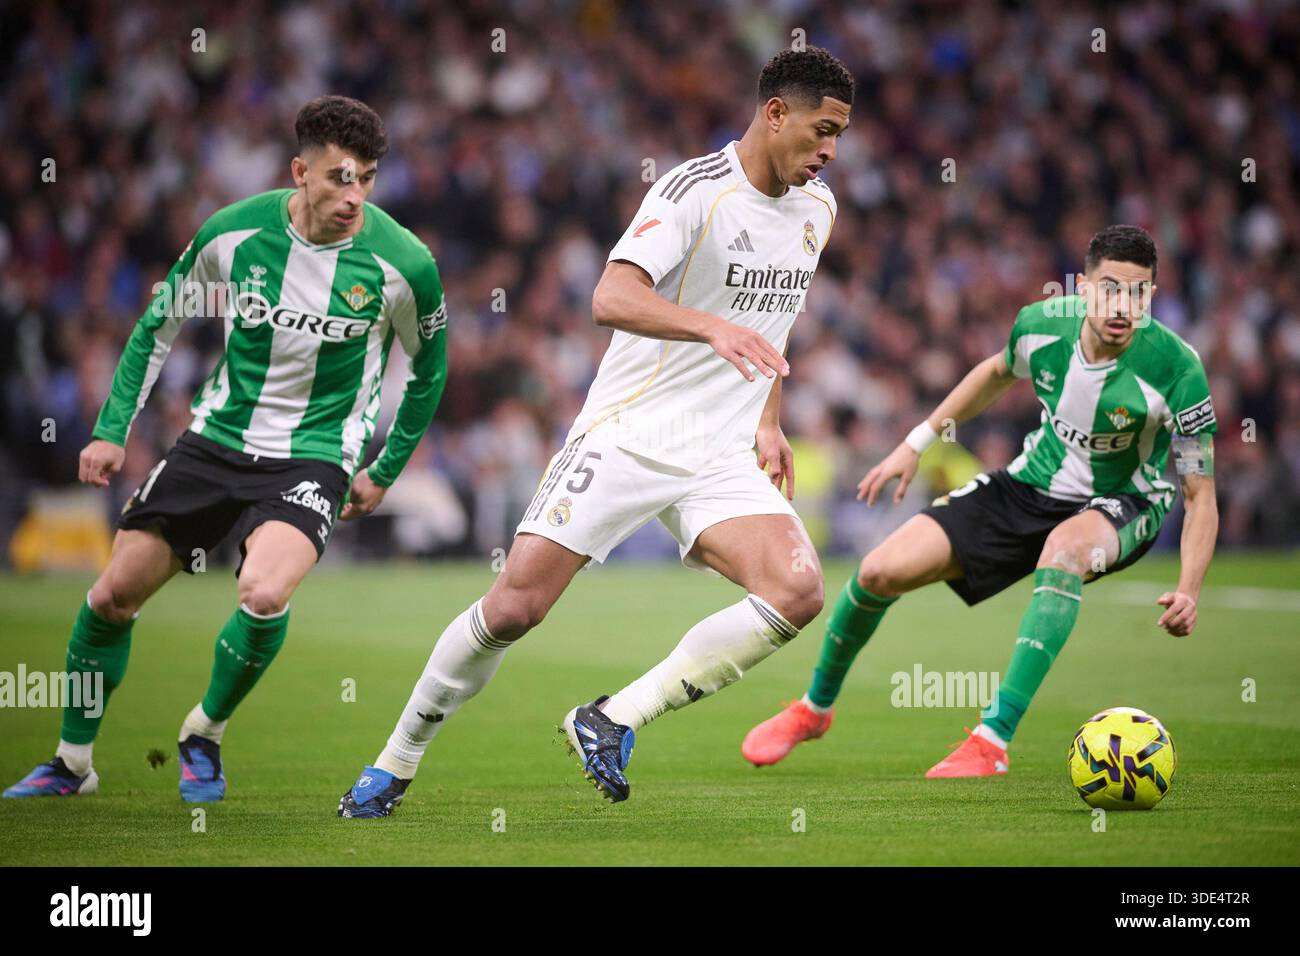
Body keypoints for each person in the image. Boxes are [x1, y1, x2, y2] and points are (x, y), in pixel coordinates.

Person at [339, 47, 854, 815]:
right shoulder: (693, 191)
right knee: (514, 607)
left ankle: (611, 718)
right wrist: (708, 329)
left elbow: (772, 317)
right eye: (821, 130)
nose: (830, 152)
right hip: (627, 432)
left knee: (799, 588)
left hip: (717, 450)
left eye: (839, 136)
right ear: (775, 113)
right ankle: (395, 761)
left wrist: (769, 417)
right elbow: (611, 296)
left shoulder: (818, 210)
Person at [4, 96, 448, 802]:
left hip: (317, 454)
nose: (353, 195)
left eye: (365, 178)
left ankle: (203, 733)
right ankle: (71, 763)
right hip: (216, 440)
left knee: (264, 591)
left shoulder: (404, 263)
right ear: (299, 171)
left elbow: (430, 371)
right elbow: (159, 324)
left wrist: (384, 468)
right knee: (113, 595)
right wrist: (112, 428)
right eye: (338, 177)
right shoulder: (232, 233)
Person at [742, 224, 1218, 777]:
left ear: (1152, 296)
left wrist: (1189, 589)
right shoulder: (1040, 327)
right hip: (1026, 486)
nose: (1122, 304)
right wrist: (915, 443)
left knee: (1063, 552)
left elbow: (1199, 492)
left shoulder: (1178, 370)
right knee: (877, 571)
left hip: (1126, 500)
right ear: (1082, 287)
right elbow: (994, 373)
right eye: (1110, 287)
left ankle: (992, 741)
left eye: (1138, 292)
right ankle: (813, 709)